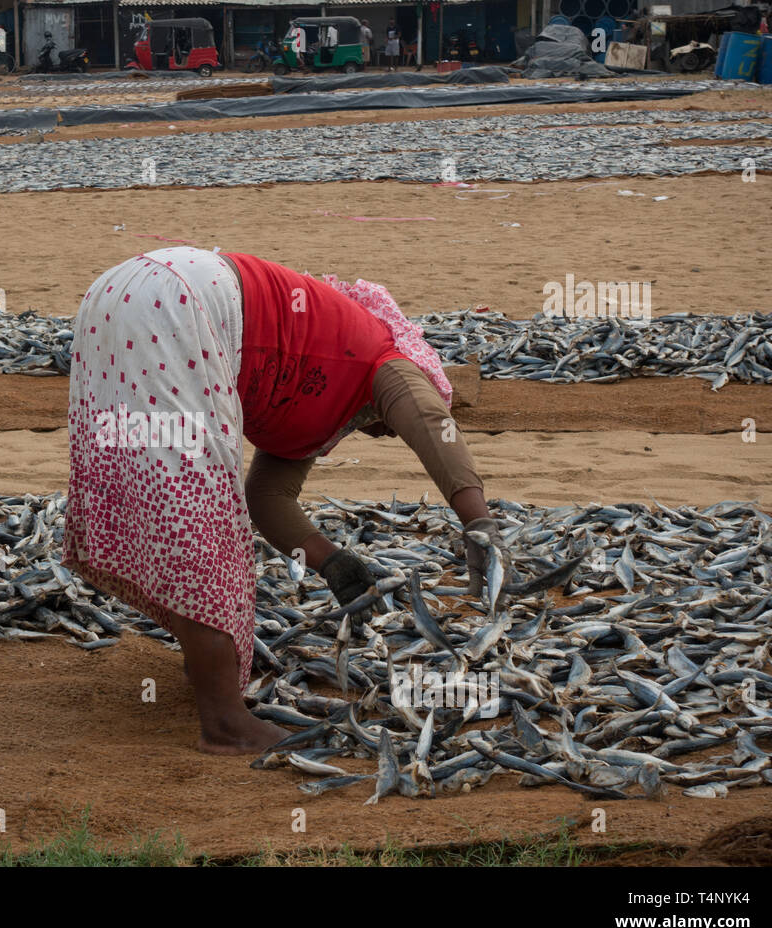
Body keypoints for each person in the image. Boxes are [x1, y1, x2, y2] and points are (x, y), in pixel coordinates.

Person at [64, 248, 505, 754]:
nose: (383, 433)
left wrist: (333, 562)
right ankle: (225, 723)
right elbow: (431, 423)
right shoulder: (383, 356)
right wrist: (479, 526)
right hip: (183, 305)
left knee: (158, 501)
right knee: (201, 523)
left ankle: (208, 665)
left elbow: (267, 496)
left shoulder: (307, 390)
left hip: (115, 295)